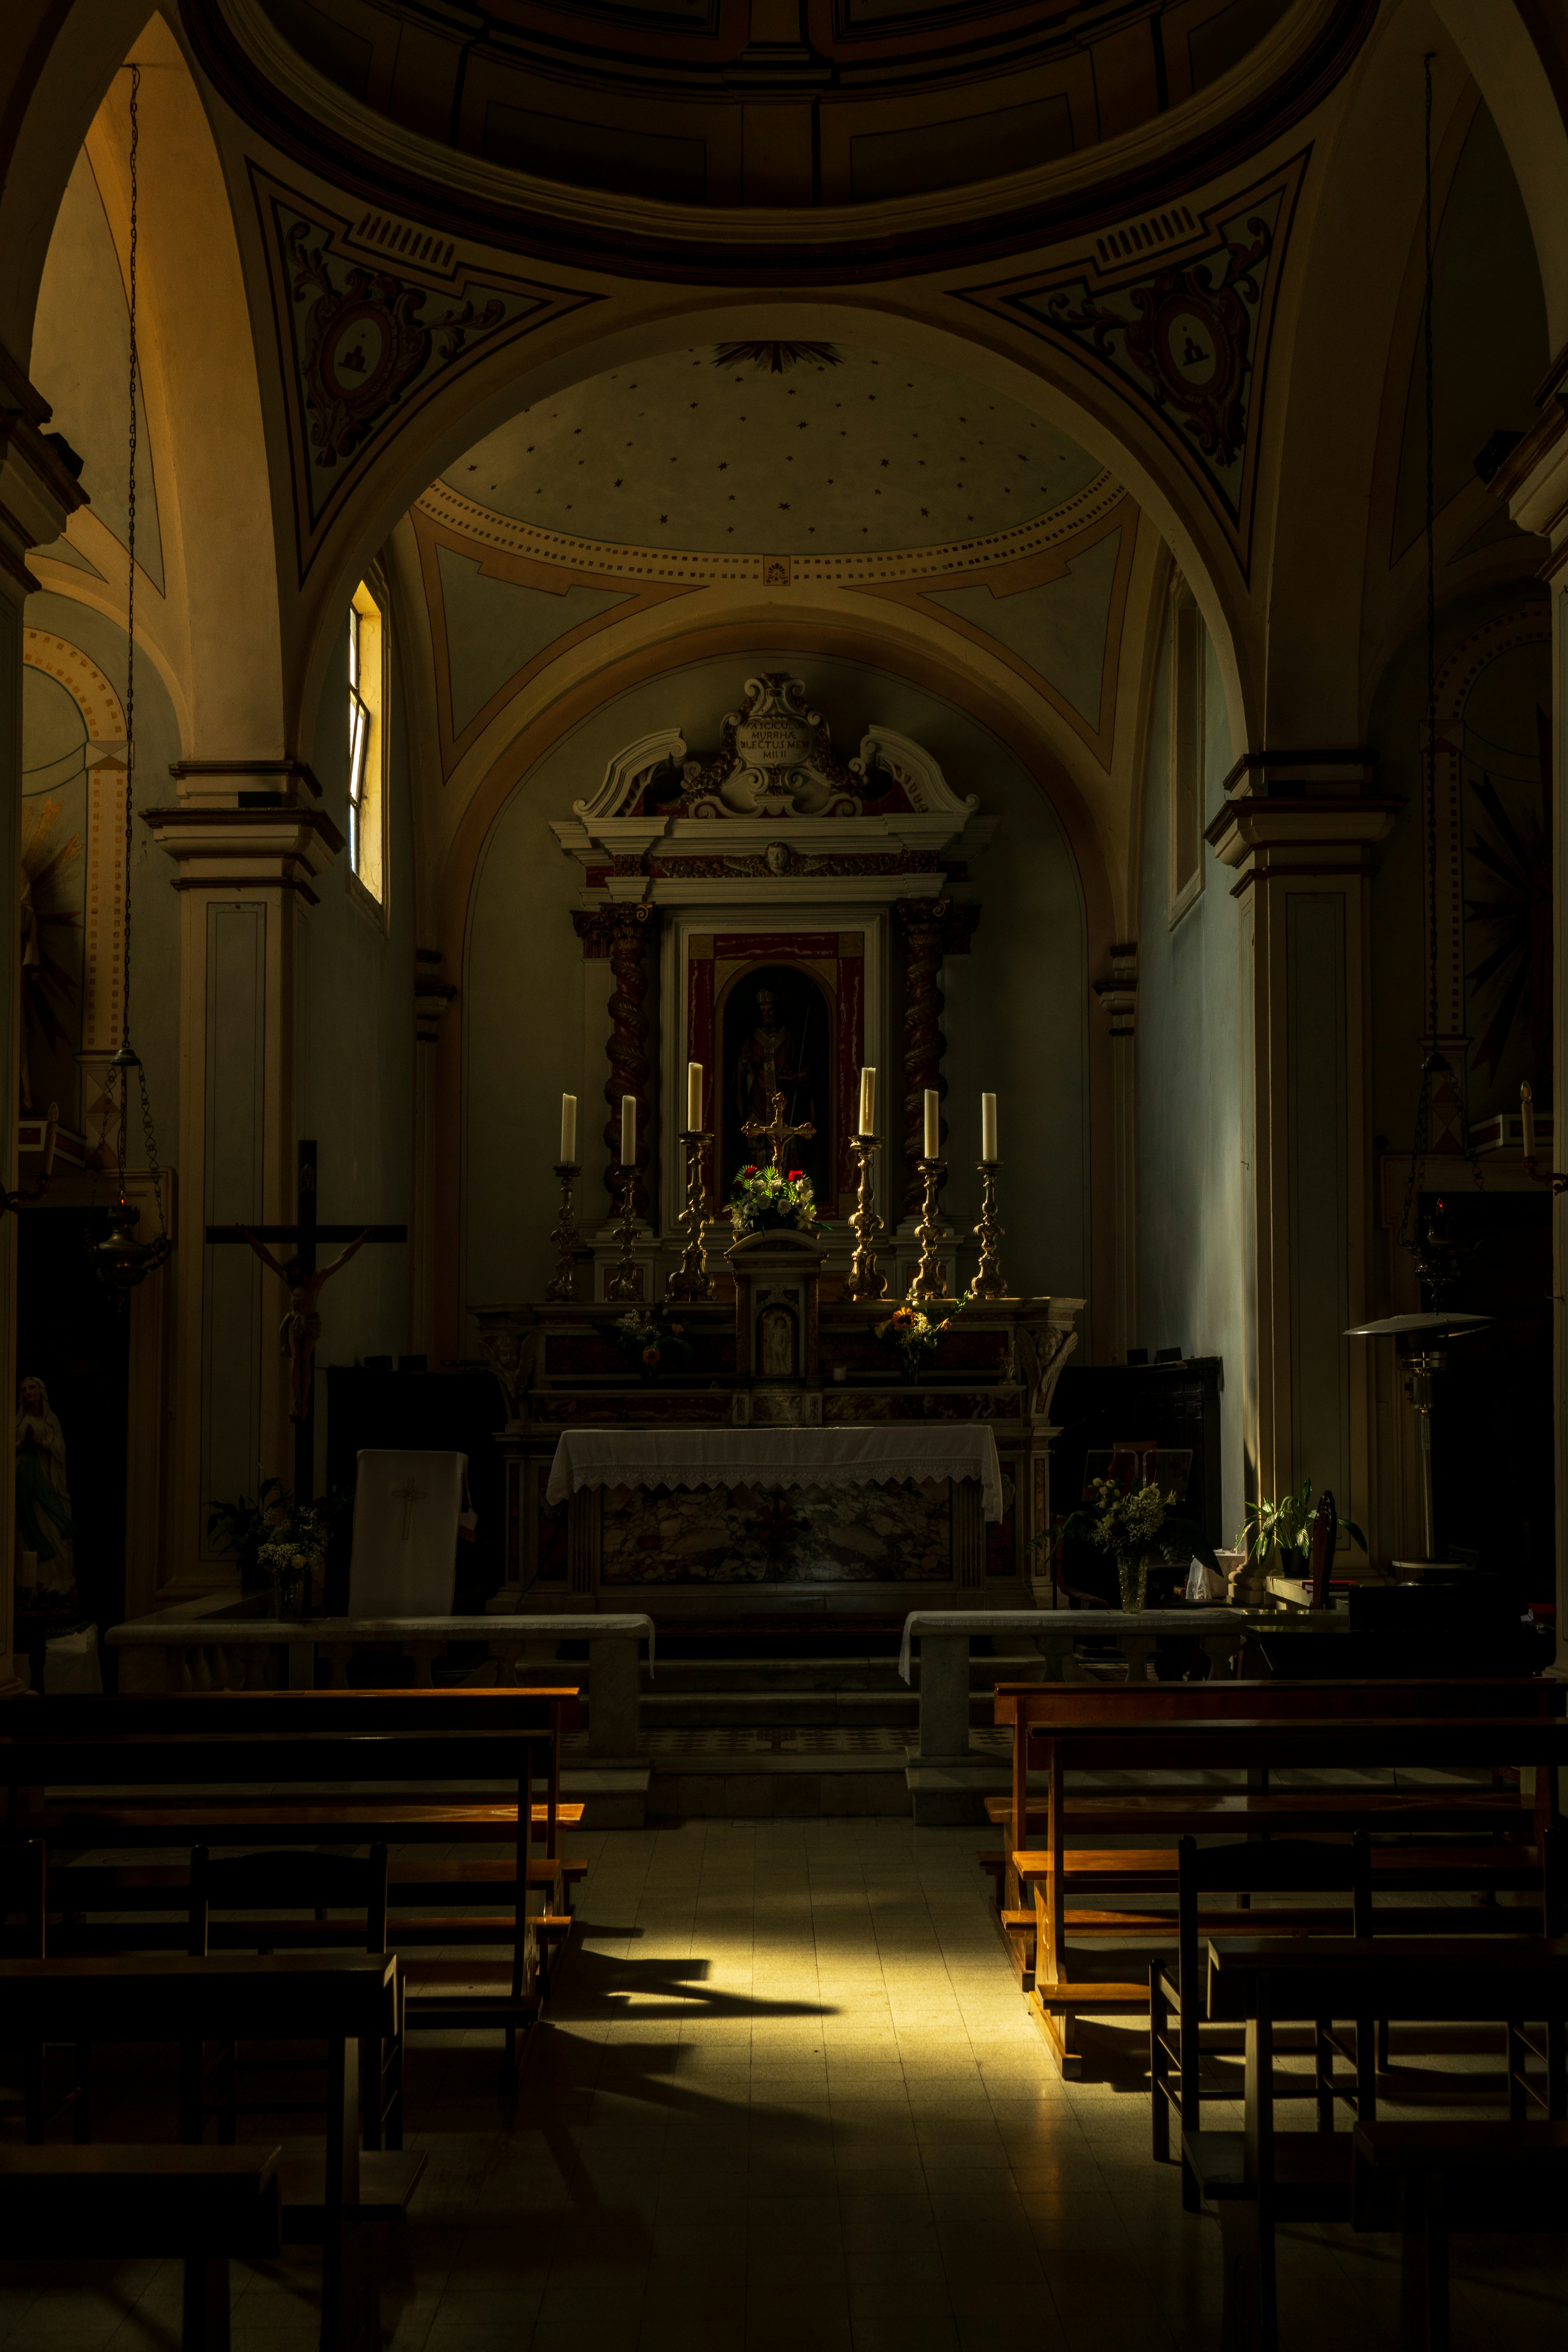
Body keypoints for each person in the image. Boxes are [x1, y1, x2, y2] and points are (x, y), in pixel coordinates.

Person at [241, 1229, 370, 1423]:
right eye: (290, 1271)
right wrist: (247, 1235)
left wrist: (363, 1239)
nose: (291, 1274)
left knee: (305, 1360)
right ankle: (297, 1401)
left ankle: (305, 1402)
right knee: (296, 1358)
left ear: (302, 1267)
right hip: (295, 1321)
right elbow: (265, 1255)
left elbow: (344, 1257)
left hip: (311, 1323)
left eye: (294, 1270)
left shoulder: (319, 1277)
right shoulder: (290, 1280)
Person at [16, 1374, 76, 1610]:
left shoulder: (52, 1421)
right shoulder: (18, 1422)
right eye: (24, 1390)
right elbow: (9, 1446)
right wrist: (24, 1445)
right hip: (24, 1484)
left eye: (32, 1388)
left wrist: (39, 1443)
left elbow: (60, 1447)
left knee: (55, 1529)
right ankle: (30, 1587)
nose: (27, 1392)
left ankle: (58, 1585)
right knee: (26, 1532)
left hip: (48, 1484)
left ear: (41, 1392)